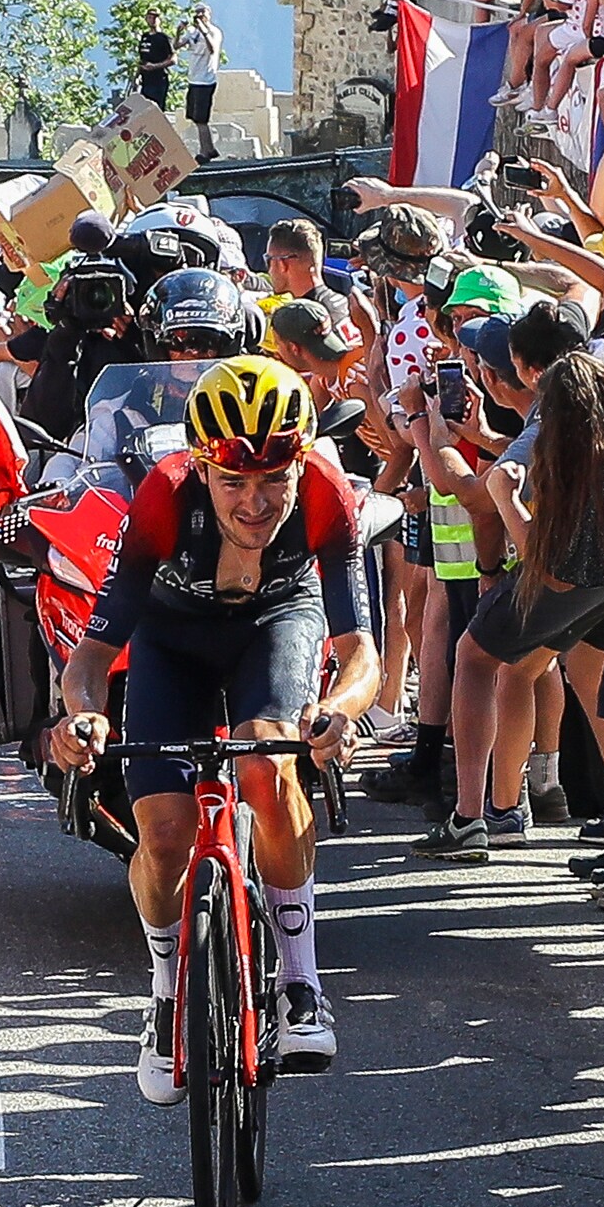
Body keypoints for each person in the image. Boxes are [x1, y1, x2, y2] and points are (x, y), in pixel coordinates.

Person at [50, 357, 376, 1101]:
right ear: (201, 468)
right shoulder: (163, 498)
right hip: (174, 642)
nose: (256, 502)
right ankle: (167, 994)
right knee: (163, 835)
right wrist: (84, 714)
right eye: (233, 481)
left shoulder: (327, 492)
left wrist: (339, 714)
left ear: (300, 464)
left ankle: (301, 986)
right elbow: (92, 657)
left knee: (267, 758)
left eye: (273, 481)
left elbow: (362, 655)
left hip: (277, 624)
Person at [179, 7, 224, 162]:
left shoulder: (214, 32)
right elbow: (176, 46)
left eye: (202, 14)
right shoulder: (192, 32)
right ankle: (209, 148)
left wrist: (204, 30)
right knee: (195, 117)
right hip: (194, 79)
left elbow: (212, 49)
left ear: (209, 15)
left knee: (201, 119)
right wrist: (180, 30)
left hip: (206, 80)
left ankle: (204, 152)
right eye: (197, 13)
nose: (199, 16)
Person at [137, 9, 174, 109]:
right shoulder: (145, 37)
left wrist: (155, 66)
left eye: (155, 17)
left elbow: (173, 59)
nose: (152, 20)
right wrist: (136, 76)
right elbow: (142, 58)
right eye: (150, 17)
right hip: (145, 80)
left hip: (159, 80)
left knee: (156, 109)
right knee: (143, 109)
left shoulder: (164, 38)